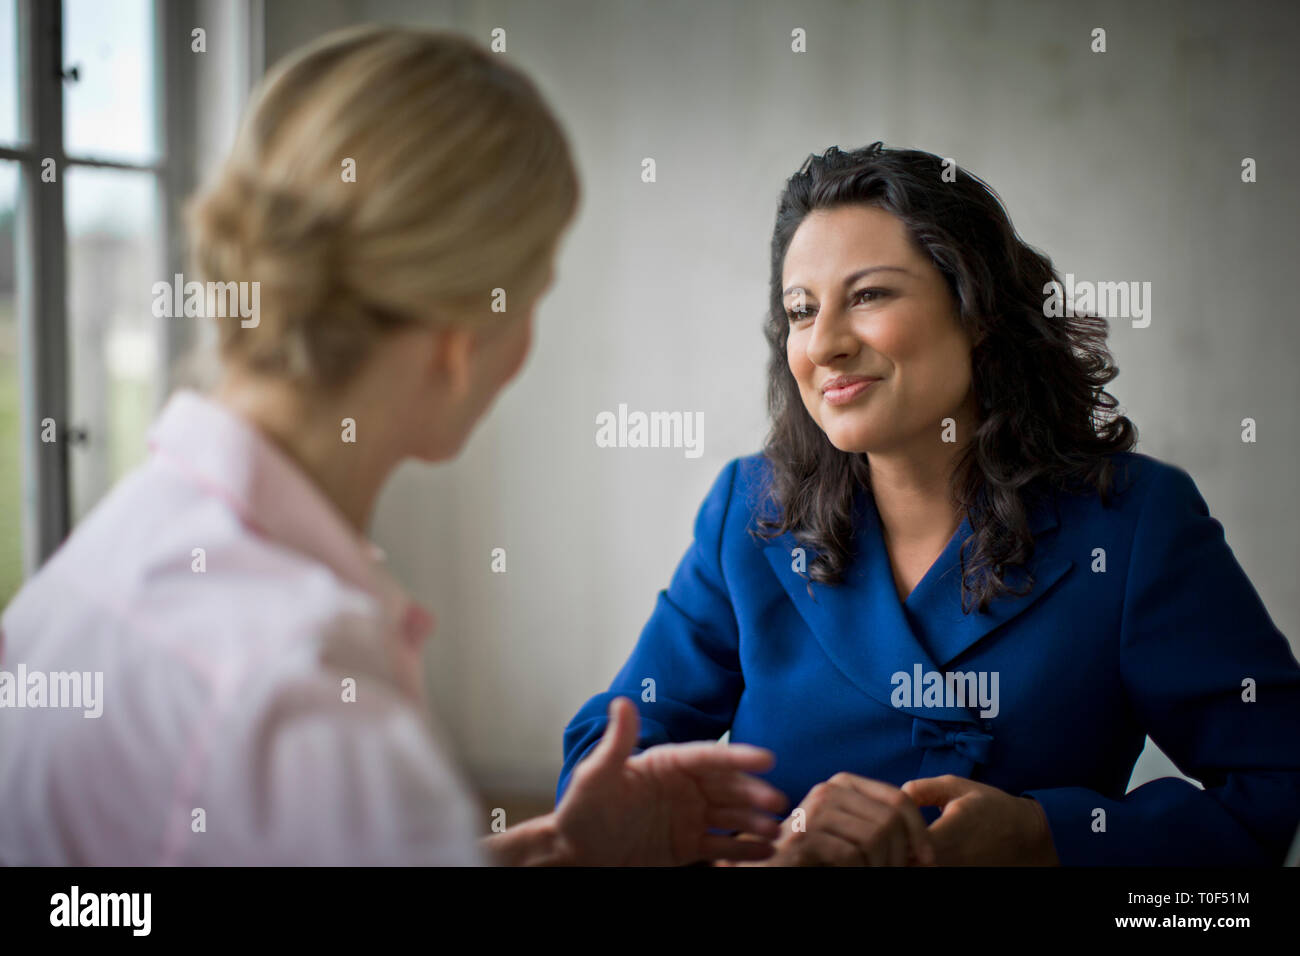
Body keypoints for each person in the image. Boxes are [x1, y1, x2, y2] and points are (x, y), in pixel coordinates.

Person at [0, 25, 787, 866]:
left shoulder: (104, 560)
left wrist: (568, 856)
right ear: (457, 344)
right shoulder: (308, 701)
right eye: (531, 297)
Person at [558, 143, 1300, 866]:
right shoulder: (748, 513)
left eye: (870, 295)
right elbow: (615, 760)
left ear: (976, 310)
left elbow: (1275, 781)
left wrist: (1048, 836)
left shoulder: (1133, 523)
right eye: (801, 310)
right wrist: (770, 849)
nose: (824, 345)